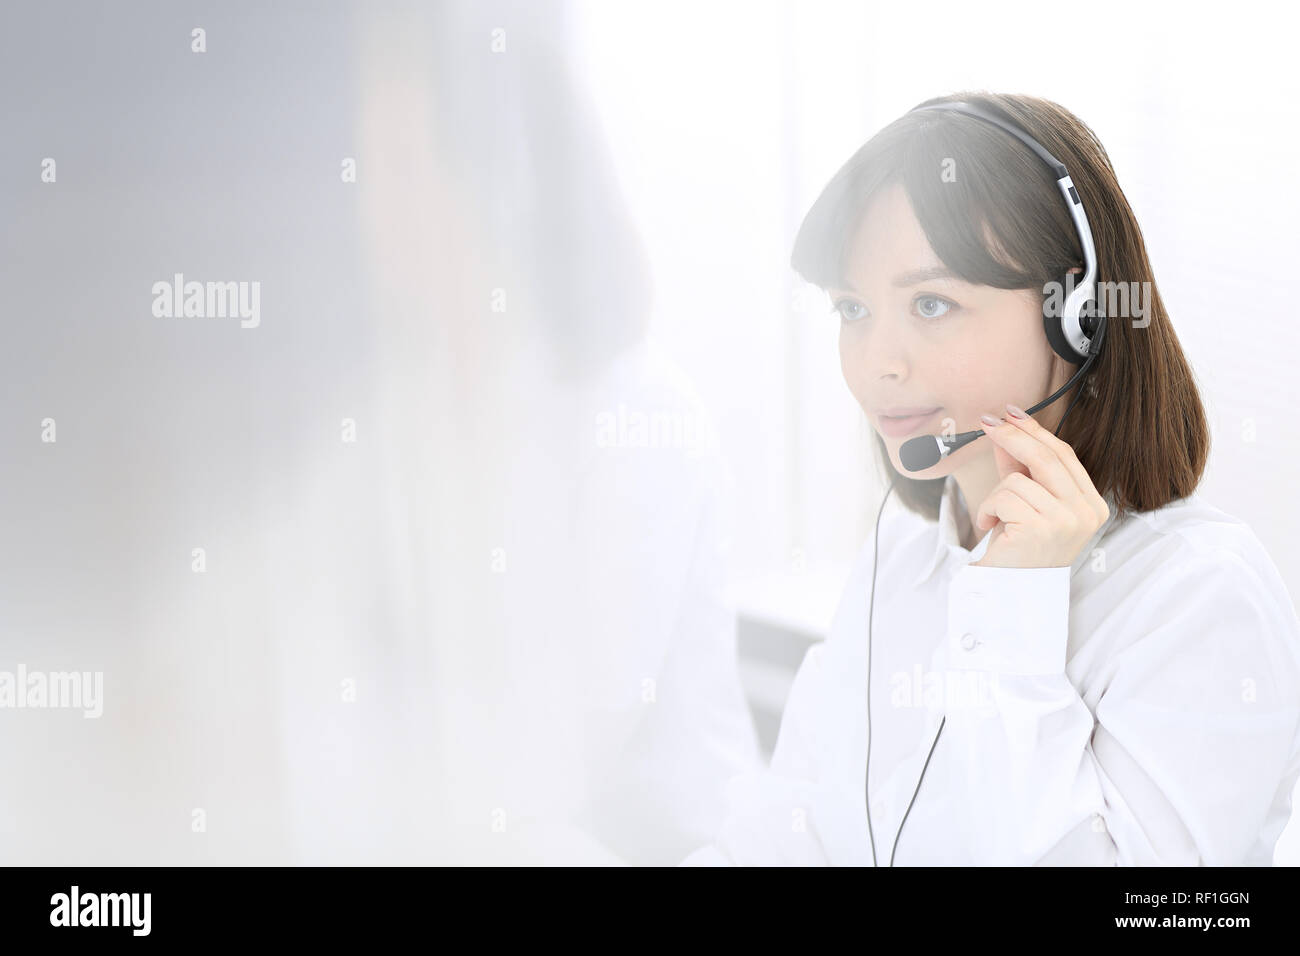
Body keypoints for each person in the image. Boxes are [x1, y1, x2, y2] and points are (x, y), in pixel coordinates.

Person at [680, 91, 1300, 866]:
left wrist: (1013, 611)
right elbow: (783, 838)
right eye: (853, 308)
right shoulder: (900, 562)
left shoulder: (1199, 597)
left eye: (932, 303)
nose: (879, 361)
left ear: (1077, 315)